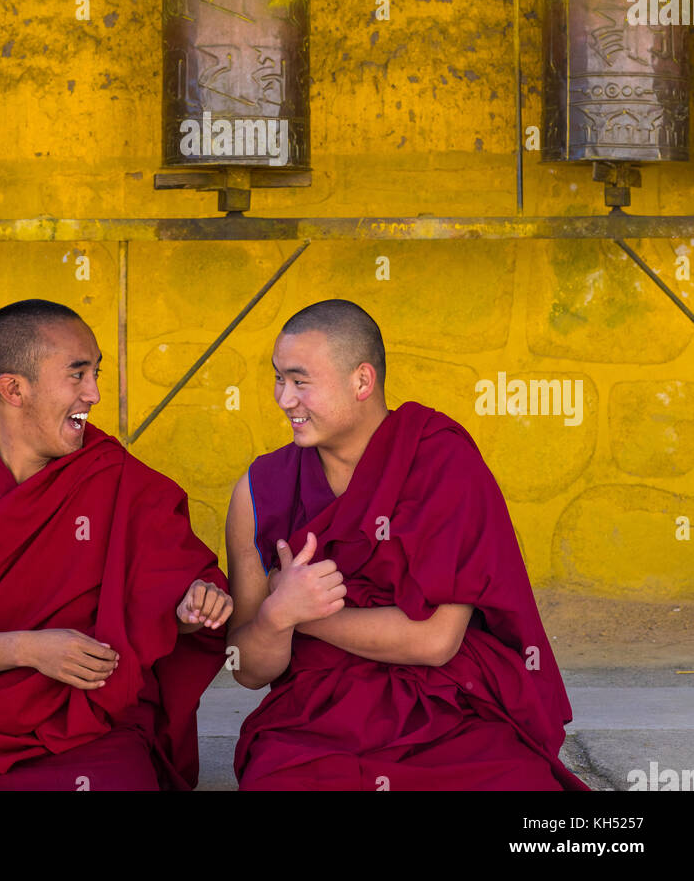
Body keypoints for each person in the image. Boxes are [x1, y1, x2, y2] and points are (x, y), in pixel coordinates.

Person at [0, 299, 232, 792]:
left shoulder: (116, 479)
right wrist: (30, 649)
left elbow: (169, 608)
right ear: (14, 388)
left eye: (96, 372)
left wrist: (191, 606)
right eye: (77, 375)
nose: (94, 393)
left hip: (86, 716)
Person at [225, 298, 590, 792]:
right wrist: (274, 616)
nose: (284, 399)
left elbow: (436, 641)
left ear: (361, 381)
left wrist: (304, 614)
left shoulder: (440, 459)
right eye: (278, 379)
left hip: (445, 706)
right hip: (315, 716)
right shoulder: (260, 489)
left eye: (299, 381)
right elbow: (245, 667)